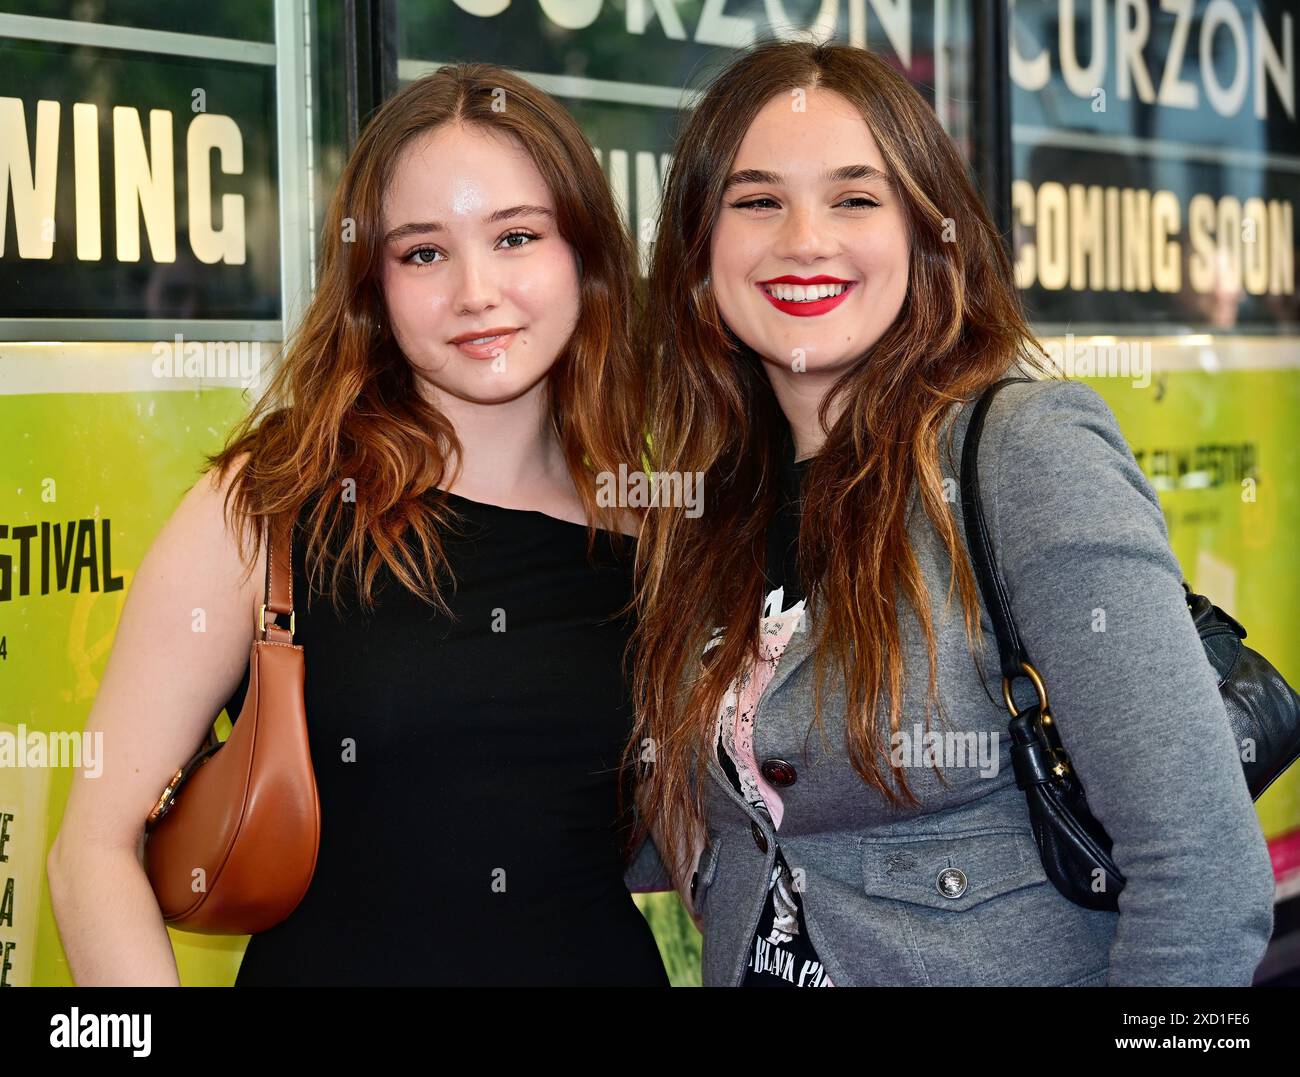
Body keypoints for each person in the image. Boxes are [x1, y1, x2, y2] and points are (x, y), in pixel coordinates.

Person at [623, 40, 1275, 987]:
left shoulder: (1022, 452)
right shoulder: (708, 508)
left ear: (930, 233)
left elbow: (1207, 882)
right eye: (757, 200)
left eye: (856, 198)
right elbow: (667, 836)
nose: (805, 238)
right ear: (697, 251)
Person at [46, 63, 668, 987]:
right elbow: (89, 856)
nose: (475, 291)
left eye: (516, 237)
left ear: (586, 255)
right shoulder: (273, 502)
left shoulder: (655, 529)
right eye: (423, 252)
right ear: (371, 283)